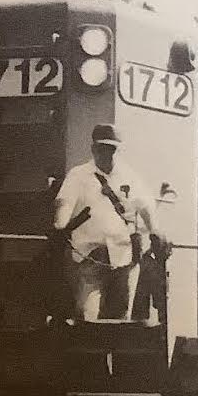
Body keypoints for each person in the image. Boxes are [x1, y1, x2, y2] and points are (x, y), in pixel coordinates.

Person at [52, 124, 168, 321]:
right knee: (87, 315)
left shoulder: (129, 176)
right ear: (93, 149)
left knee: (121, 316)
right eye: (102, 148)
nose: (107, 153)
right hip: (90, 255)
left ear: (118, 150)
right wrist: (61, 224)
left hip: (123, 256)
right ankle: (89, 351)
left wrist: (155, 229)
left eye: (112, 149)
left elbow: (145, 205)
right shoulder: (78, 175)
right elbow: (64, 202)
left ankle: (115, 352)